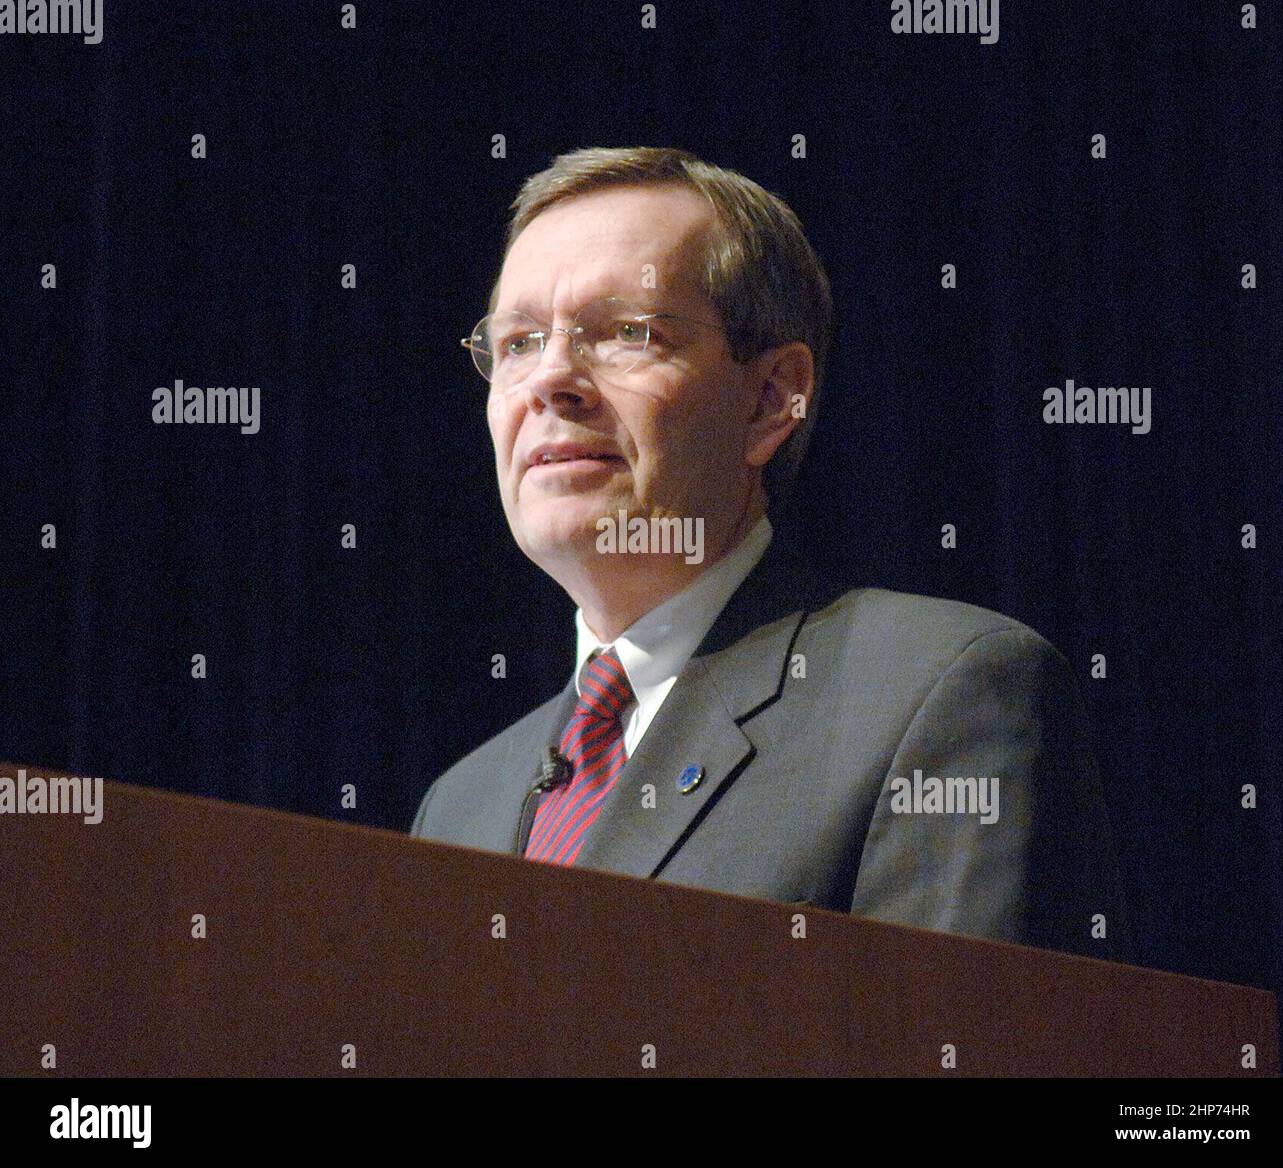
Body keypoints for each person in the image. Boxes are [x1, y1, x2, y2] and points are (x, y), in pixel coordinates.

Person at [411, 145, 1131, 961]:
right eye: (517, 343)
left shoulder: (938, 695)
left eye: (626, 332)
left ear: (769, 399)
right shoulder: (460, 806)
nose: (550, 380)